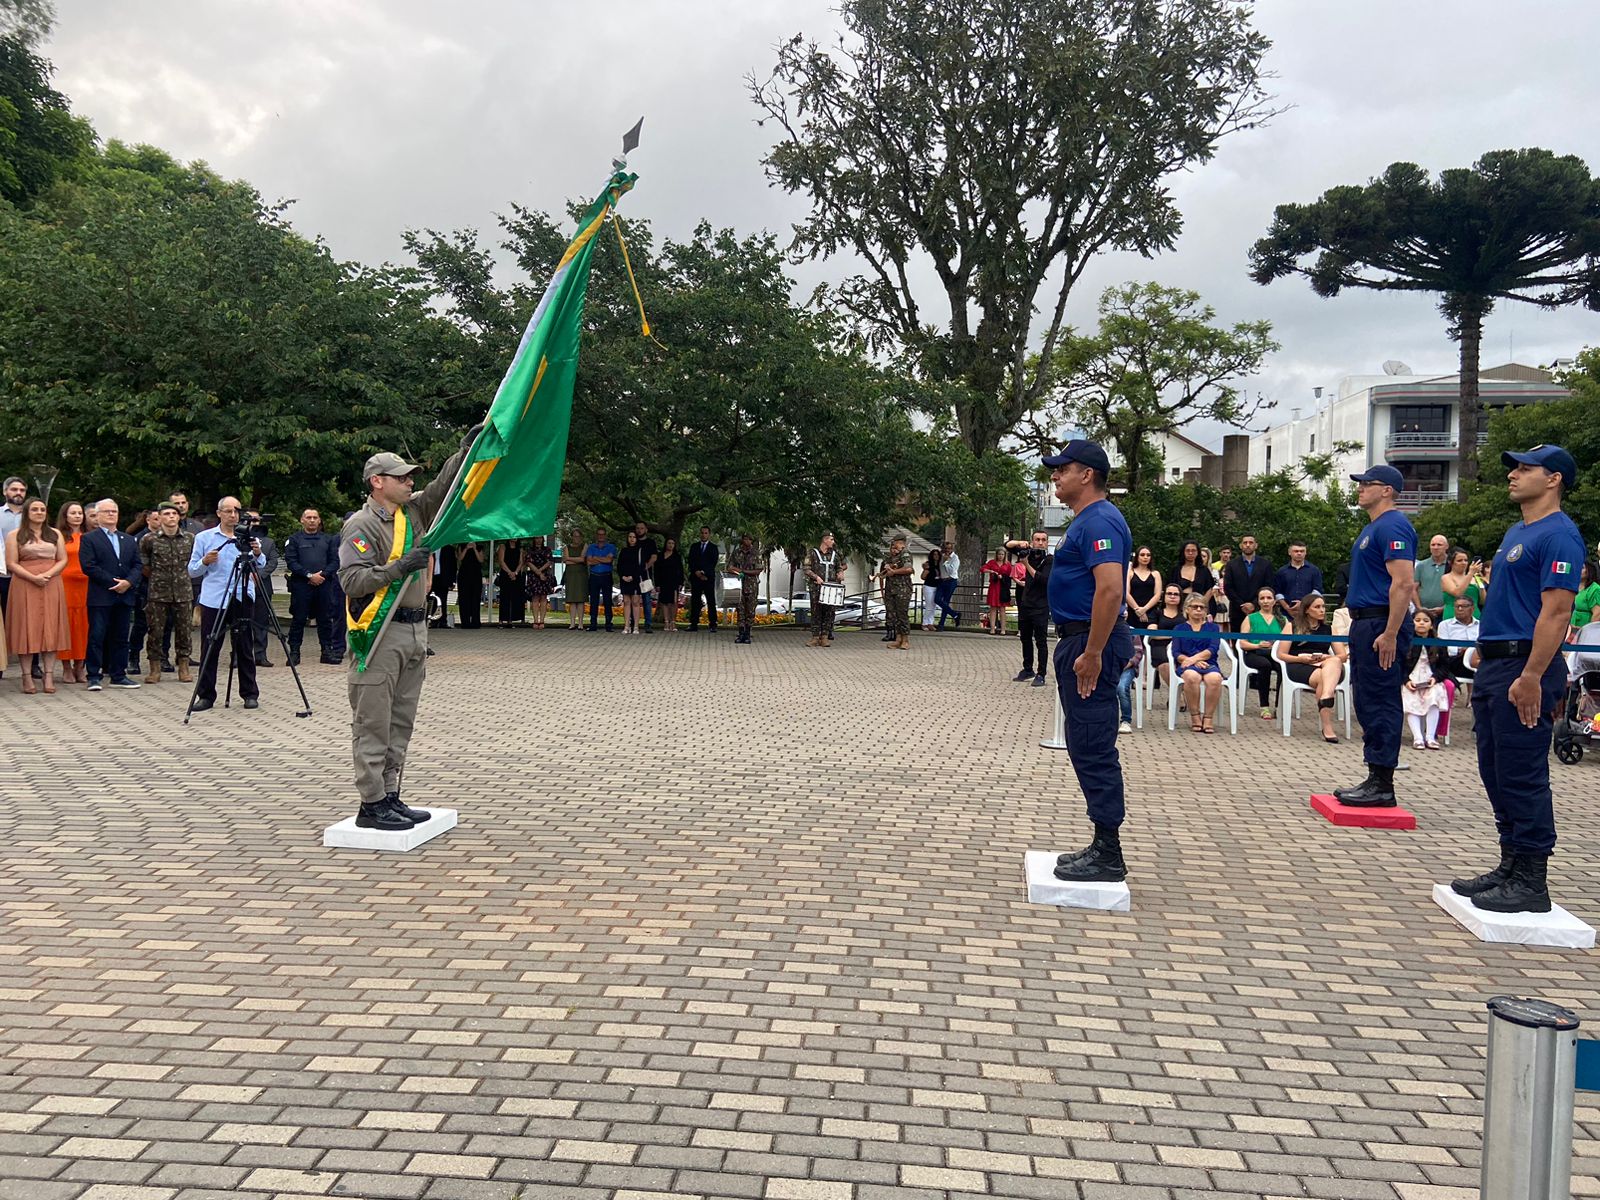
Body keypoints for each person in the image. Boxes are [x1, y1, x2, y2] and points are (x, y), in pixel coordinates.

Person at [1450, 444, 1586, 915]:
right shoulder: (1516, 530)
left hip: (1527, 665)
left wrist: (1531, 674)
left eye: (1526, 469)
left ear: (1554, 479)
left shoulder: (1560, 535)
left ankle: (1532, 878)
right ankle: (1510, 862)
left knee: (1524, 773)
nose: (1514, 475)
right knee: (1494, 767)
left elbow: (1557, 610)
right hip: (1497, 662)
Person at [337, 434, 473, 832]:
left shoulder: (411, 513)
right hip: (382, 633)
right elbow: (352, 580)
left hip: (415, 630)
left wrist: (464, 452)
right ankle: (371, 801)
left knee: (400, 721)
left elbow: (442, 489)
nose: (410, 482)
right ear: (377, 481)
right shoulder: (361, 525)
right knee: (373, 721)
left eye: (410, 477)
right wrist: (401, 567)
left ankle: (390, 794)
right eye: (401, 477)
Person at [1043, 441, 1135, 885]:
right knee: (1084, 743)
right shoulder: (1088, 521)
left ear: (1087, 474)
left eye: (1063, 469)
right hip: (1081, 640)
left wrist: (1093, 653)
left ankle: (1108, 853)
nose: (1055, 476)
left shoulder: (1100, 519)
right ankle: (1102, 843)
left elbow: (1111, 591)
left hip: (1090, 643)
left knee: (1094, 745)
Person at [1333, 465, 1417, 807]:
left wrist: (1391, 632)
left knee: (1381, 701)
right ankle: (1374, 775)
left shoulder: (1394, 524)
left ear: (1388, 490)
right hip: (1366, 621)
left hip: (1382, 621)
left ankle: (1383, 783)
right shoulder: (1375, 527)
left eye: (1369, 483)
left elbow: (1403, 583)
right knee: (1367, 700)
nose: (1361, 488)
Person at [187, 497, 265, 710]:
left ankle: (249, 693)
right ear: (219, 513)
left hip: (242, 596)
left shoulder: (249, 537)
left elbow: (261, 564)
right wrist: (205, 561)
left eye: (237, 511)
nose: (233, 515)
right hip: (215, 598)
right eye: (229, 511)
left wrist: (257, 552)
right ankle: (206, 695)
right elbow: (192, 570)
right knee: (210, 646)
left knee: (244, 646)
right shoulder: (204, 538)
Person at [4, 497, 70, 694]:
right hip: (25, 583)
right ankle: (26, 677)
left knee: (50, 627)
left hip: (51, 583)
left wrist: (48, 574)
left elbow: (62, 559)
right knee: (27, 628)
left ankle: (49, 675)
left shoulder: (55, 534)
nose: (39, 512)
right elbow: (11, 563)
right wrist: (33, 577)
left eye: (42, 509)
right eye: (35, 509)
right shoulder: (15, 535)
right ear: (27, 512)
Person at [80, 499, 145, 691]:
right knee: (97, 636)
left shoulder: (128, 539)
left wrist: (128, 582)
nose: (111, 514)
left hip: (124, 595)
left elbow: (137, 564)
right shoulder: (89, 539)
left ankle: (119, 674)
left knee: (121, 636)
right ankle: (93, 675)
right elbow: (89, 566)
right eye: (106, 511)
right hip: (101, 595)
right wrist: (113, 582)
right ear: (97, 515)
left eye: (114, 511)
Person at [139, 504, 196, 684]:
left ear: (179, 517)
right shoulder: (149, 539)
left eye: (174, 514)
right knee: (155, 631)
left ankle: (184, 666)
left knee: (184, 631)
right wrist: (158, 579)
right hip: (158, 592)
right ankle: (155, 668)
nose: (171, 517)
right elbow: (144, 565)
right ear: (160, 517)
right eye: (166, 514)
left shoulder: (190, 538)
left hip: (183, 591)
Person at [285, 507, 343, 665]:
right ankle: (294, 652)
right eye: (308, 517)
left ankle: (327, 651)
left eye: (315, 517)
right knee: (298, 619)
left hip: (324, 585)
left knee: (325, 619)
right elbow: (291, 562)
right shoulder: (294, 539)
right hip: (301, 585)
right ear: (302, 520)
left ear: (319, 520)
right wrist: (309, 575)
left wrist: (322, 575)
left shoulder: (328, 539)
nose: (312, 520)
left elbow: (335, 561)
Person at [1282, 594, 1344, 742]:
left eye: (1323, 607)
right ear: (1307, 610)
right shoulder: (1292, 626)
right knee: (1325, 676)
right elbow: (1281, 654)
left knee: (1333, 662)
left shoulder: (1329, 629)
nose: (1322, 610)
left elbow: (1342, 655)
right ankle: (1327, 725)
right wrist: (1300, 658)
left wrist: (1325, 657)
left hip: (1326, 665)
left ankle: (1326, 697)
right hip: (1300, 664)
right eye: (1317, 607)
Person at [1171, 593, 1224, 734]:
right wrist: (1192, 661)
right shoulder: (1179, 629)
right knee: (1192, 677)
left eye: (1202, 607)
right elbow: (1176, 653)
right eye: (1195, 607)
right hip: (1186, 665)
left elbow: (1212, 649)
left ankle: (1208, 718)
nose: (1199, 610)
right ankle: (1195, 716)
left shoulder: (1213, 628)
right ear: (1187, 609)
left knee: (1215, 679)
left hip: (1208, 663)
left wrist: (1194, 659)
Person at [1005, 533, 1052, 686]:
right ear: (1032, 541)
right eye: (1037, 540)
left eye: (1043, 540)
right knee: (1025, 638)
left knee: (1041, 641)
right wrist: (1020, 543)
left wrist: (1026, 565)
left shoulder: (1050, 560)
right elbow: (1007, 545)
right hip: (1026, 604)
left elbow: (1043, 579)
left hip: (1041, 606)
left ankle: (1041, 673)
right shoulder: (1028, 554)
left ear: (1047, 543)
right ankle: (1027, 669)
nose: (1040, 543)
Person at [1402, 610, 1452, 750]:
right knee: (1411, 700)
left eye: (1425, 621)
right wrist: (1406, 681)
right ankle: (1417, 737)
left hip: (1431, 679)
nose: (1421, 623)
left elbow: (1444, 665)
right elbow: (1400, 665)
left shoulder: (1438, 643)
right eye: (1417, 620)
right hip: (1411, 680)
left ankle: (1430, 736)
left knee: (1434, 698)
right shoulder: (1405, 642)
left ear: (1431, 625)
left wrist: (1435, 678)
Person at [53, 500, 90, 684]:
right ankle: (66, 667)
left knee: (84, 627)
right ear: (65, 516)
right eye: (73, 513)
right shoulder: (57, 536)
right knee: (67, 626)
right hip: (65, 585)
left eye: (80, 513)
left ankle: (80, 666)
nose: (77, 516)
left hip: (86, 587)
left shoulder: (89, 536)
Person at [1239, 586, 1288, 719]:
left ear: (1274, 601)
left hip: (1275, 654)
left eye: (1269, 598)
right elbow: (1242, 642)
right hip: (1254, 653)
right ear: (1258, 601)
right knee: (1264, 665)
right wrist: (1257, 645)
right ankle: (1264, 707)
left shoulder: (1283, 620)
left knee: (1283, 668)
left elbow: (1288, 641)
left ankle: (1280, 706)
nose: (1265, 601)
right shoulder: (1250, 618)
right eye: (1262, 598)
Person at [244, 510, 280, 667]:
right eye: (249, 520)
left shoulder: (268, 542)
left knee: (261, 623)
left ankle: (260, 655)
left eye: (256, 520)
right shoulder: (236, 540)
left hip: (262, 588)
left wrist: (259, 574)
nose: (253, 523)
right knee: (241, 624)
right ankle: (239, 656)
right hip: (242, 587)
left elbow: (273, 562)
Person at [1222, 535, 1272, 631]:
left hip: (1260, 608)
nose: (1248, 545)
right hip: (1237, 610)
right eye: (1245, 543)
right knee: (1237, 641)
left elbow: (1268, 586)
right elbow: (1228, 587)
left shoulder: (1265, 564)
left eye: (1251, 542)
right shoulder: (1231, 564)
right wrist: (1242, 605)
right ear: (1241, 545)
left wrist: (1254, 604)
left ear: (1256, 545)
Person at [804, 532, 845, 648]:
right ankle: (815, 637)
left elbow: (839, 567)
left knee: (829, 612)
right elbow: (806, 568)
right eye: (831, 539)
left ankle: (825, 637)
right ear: (825, 540)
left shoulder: (835, 555)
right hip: (816, 588)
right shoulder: (813, 553)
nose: (833, 542)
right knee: (816, 612)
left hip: (831, 588)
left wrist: (840, 573)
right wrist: (816, 577)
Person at [1438, 594, 1480, 699]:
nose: (1460, 609)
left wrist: (1470, 651)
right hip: (1454, 659)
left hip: (1476, 659)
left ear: (1472, 609)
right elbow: (1443, 647)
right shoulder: (1445, 625)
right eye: (1457, 606)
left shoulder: (1481, 625)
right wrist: (1460, 650)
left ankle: (1475, 696)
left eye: (1464, 606)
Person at [1145, 583, 1184, 693]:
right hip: (1159, 646)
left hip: (1181, 647)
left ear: (1180, 597)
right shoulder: (1156, 613)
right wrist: (1176, 635)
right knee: (1164, 665)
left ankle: (1179, 695)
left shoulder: (1186, 615)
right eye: (1169, 594)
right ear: (1164, 596)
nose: (1172, 596)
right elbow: (1152, 633)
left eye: (1176, 594)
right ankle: (1178, 695)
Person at [1273, 540, 1323, 623]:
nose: (1299, 553)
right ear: (1289, 552)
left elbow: (1317, 590)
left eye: (1302, 551)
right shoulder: (1281, 572)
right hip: (1286, 613)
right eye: (1296, 551)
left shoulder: (1314, 570)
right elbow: (1277, 592)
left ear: (1305, 553)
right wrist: (1287, 607)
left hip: (1308, 612)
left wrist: (1303, 604)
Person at [878, 533, 914, 650]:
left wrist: (894, 572)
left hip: (902, 589)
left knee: (902, 614)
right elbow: (884, 573)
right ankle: (898, 639)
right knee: (893, 615)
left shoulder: (905, 554)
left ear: (900, 542)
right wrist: (886, 570)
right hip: (891, 588)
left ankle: (905, 639)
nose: (893, 544)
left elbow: (908, 569)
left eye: (895, 542)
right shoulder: (891, 556)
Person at [726, 533, 762, 644]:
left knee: (750, 610)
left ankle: (748, 633)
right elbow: (730, 567)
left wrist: (743, 571)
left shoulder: (756, 553)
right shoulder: (737, 552)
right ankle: (741, 633)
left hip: (751, 585)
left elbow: (758, 570)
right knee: (740, 609)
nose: (746, 541)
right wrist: (737, 571)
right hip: (738, 585)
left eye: (749, 539)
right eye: (744, 539)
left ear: (751, 541)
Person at [686, 527, 719, 631]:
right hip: (696, 578)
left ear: (709, 534)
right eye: (702, 533)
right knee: (695, 600)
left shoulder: (713, 547)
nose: (704, 535)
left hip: (708, 578)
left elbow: (713, 562)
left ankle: (713, 624)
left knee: (711, 601)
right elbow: (691, 560)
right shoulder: (694, 547)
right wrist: (697, 572)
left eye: (706, 533)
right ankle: (694, 624)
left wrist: (704, 572)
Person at [585, 527, 617, 631]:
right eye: (599, 534)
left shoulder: (611, 547)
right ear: (596, 535)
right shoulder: (591, 547)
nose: (601, 536)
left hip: (606, 576)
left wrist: (596, 558)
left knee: (608, 600)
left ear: (605, 535)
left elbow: (609, 560)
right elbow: (589, 562)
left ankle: (608, 624)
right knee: (594, 601)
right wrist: (603, 559)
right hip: (594, 576)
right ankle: (593, 623)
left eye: (602, 534)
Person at [1414, 534, 1451, 622]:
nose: (1435, 547)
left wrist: (1444, 608)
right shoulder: (1421, 566)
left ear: (1446, 546)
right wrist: (1419, 607)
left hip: (1446, 613)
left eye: (1439, 545)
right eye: (1433, 545)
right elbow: (1413, 588)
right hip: (1424, 615)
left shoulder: (1452, 565)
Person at [653, 536, 684, 632]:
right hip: (663, 581)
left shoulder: (677, 557)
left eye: (672, 543)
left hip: (674, 582)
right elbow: (656, 571)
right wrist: (657, 584)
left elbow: (680, 570)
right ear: (666, 544)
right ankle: (666, 622)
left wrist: (680, 582)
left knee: (673, 602)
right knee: (664, 602)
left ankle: (673, 622)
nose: (671, 545)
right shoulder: (660, 556)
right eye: (669, 543)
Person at [1125, 546, 1161, 629]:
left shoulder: (1155, 574)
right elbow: (1126, 593)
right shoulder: (1130, 573)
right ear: (1137, 557)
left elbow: (1157, 595)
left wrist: (1144, 609)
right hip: (1133, 611)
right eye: (1142, 555)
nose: (1145, 557)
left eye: (1148, 555)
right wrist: (1137, 609)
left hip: (1151, 611)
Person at [1115, 634, 1144, 735]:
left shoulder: (1132, 633)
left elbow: (1138, 653)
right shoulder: (1104, 629)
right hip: (1109, 666)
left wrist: (1127, 664)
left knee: (1122, 687)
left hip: (1128, 667)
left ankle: (1126, 721)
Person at [616, 530, 644, 634]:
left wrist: (633, 576)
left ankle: (636, 626)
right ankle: (626, 625)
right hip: (624, 579)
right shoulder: (624, 551)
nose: (632, 539)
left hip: (635, 580)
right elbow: (619, 565)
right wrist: (623, 576)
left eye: (634, 537)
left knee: (635, 602)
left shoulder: (640, 551)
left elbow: (641, 567)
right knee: (626, 602)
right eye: (630, 537)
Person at [523, 535, 554, 629]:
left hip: (544, 575)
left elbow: (549, 561)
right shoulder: (530, 550)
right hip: (533, 575)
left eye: (540, 538)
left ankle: (542, 621)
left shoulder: (547, 549)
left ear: (543, 539)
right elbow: (528, 562)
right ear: (534, 539)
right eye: (536, 538)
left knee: (543, 597)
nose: (538, 540)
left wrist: (541, 572)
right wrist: (538, 572)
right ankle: (535, 620)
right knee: (535, 598)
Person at [1439, 547, 1479, 619]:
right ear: (1450, 562)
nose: (1463, 563)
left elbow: (1483, 600)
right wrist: (1470, 574)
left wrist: (1480, 584)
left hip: (1474, 615)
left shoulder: (1474, 578)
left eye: (1466, 560)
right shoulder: (1446, 578)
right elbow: (1457, 593)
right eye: (1459, 560)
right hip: (1453, 616)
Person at [633, 522, 659, 633]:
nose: (639, 530)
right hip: (633, 575)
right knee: (634, 600)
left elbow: (654, 557)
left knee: (647, 600)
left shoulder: (650, 543)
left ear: (646, 530)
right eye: (637, 528)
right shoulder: (633, 541)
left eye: (642, 528)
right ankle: (633, 623)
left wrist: (645, 567)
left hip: (645, 576)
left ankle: (648, 624)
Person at [496, 539, 527, 627]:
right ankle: (502, 619)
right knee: (504, 597)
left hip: (516, 575)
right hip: (506, 574)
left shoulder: (519, 549)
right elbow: (501, 561)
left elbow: (521, 562)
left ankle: (511, 620)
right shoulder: (503, 547)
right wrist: (509, 572)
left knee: (514, 597)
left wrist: (515, 572)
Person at [455, 543, 485, 628]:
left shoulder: (479, 547)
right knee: (464, 598)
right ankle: (465, 622)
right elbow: (460, 558)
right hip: (464, 574)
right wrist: (466, 549)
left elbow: (481, 560)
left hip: (476, 574)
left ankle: (475, 621)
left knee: (475, 598)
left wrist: (475, 549)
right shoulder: (461, 546)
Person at [428, 544, 457, 630]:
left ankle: (443, 621)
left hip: (443, 577)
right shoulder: (431, 547)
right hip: (432, 577)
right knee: (431, 599)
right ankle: (432, 620)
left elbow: (453, 565)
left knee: (443, 600)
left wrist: (453, 580)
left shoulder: (449, 549)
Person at [562, 533, 587, 630]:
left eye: (578, 536)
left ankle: (581, 623)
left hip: (581, 575)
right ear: (572, 537)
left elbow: (582, 559)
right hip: (571, 574)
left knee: (580, 600)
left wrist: (569, 559)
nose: (576, 538)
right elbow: (566, 561)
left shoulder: (584, 546)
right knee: (572, 600)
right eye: (575, 536)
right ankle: (572, 623)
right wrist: (577, 560)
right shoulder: (566, 547)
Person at [935, 540, 962, 629]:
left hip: (951, 581)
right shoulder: (940, 556)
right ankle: (955, 615)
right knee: (937, 599)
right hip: (942, 581)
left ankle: (941, 624)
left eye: (949, 549)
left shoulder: (955, 558)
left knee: (946, 601)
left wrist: (946, 562)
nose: (947, 550)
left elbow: (952, 571)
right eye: (946, 548)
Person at [982, 548, 1009, 635]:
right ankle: (992, 628)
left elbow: (1010, 576)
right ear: (996, 555)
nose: (1000, 556)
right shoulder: (991, 562)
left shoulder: (1007, 564)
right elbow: (983, 569)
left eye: (1002, 554)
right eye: (999, 554)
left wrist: (1002, 577)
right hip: (993, 587)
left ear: (1004, 555)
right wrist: (991, 571)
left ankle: (1003, 629)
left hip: (1003, 588)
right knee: (993, 608)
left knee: (1002, 609)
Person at [1570, 559, 1600, 630]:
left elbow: (1597, 614)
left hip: (1585, 632)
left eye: (1582, 568)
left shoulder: (1595, 589)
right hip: (1572, 629)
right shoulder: (1574, 586)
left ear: (1589, 571)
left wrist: (1588, 632)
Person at [920, 547, 942, 632]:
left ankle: (930, 623)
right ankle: (924, 623)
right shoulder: (929, 565)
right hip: (929, 586)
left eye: (937, 554)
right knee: (929, 606)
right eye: (934, 554)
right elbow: (923, 577)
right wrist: (926, 570)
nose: (936, 556)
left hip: (937, 587)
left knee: (933, 606)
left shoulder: (940, 565)